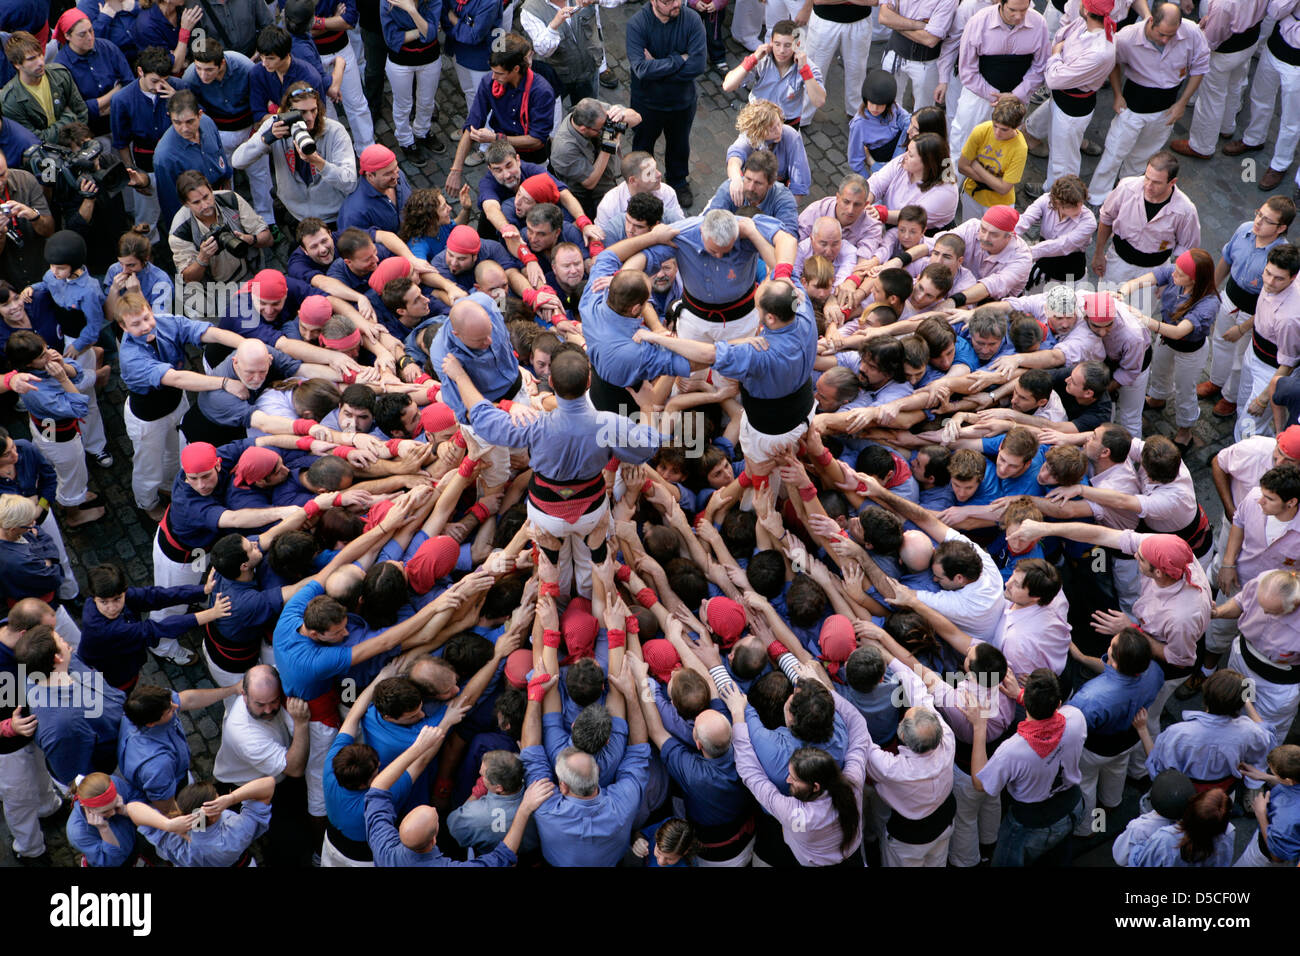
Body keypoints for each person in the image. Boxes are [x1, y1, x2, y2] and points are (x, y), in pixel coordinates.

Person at [1086, 2, 1210, 205]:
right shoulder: (1128, 37)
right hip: (1134, 104)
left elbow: (1200, 67)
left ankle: (1125, 193)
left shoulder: (1191, 32)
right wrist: (1117, 94)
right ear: (1151, 21)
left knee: (1142, 157)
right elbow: (1113, 62)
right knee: (1114, 153)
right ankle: (1096, 199)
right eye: (1161, 34)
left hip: (1166, 108)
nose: (1165, 40)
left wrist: (1182, 103)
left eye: (1171, 35)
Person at [1199, 198, 1293, 419]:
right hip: (1230, 297)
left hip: (1254, 312)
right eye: (1259, 214)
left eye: (1267, 220)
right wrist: (1209, 289)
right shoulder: (1243, 230)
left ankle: (1230, 397)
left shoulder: (1281, 257)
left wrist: (1243, 328)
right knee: (1220, 342)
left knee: (1241, 356)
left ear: (1281, 228)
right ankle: (1216, 381)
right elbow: (1226, 260)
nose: (1258, 222)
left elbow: (1273, 303)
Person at [1120, 248, 1219, 450]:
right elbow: (1142, 280)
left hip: (1189, 350)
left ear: (1194, 279)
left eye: (1180, 274)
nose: (1174, 274)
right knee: (1159, 370)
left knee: (1185, 390)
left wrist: (1143, 319)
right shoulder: (1177, 272)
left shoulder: (1209, 303)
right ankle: (1157, 398)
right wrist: (1122, 292)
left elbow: (1178, 332)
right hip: (1166, 339)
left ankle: (1185, 432)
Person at [231, 81, 357, 229]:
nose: (310, 118)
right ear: (287, 111)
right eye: (302, 112)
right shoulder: (276, 126)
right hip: (295, 215)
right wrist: (265, 139)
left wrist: (318, 162)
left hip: (333, 215)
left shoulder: (334, 131)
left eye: (314, 110)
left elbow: (350, 183)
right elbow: (237, 161)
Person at [946, 0, 1049, 169]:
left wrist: (1016, 96)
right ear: (1000, 3)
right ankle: (950, 189)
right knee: (961, 142)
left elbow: (1039, 67)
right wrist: (993, 94)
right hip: (978, 95)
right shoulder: (979, 21)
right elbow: (967, 70)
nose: (1019, 16)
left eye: (1024, 10)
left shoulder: (1039, 23)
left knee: (1001, 149)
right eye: (1013, 10)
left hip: (1017, 99)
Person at [627, 0, 707, 210]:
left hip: (681, 103)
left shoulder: (691, 20)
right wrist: (679, 59)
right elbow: (641, 69)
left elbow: (698, 65)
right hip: (646, 104)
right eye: (668, 1)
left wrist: (657, 66)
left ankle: (678, 181)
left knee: (679, 144)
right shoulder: (637, 24)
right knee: (643, 147)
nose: (676, 4)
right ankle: (643, 185)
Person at [1169, 0, 1269, 163]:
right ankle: (1226, 127)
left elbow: (1211, 42)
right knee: (1235, 85)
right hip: (1249, 42)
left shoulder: (1224, 4)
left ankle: (1201, 146)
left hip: (1224, 52)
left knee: (1211, 97)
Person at [449, 33, 556, 178]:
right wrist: (456, 169)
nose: (493, 77)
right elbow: (472, 126)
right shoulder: (489, 82)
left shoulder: (541, 91)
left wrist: (495, 138)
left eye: (499, 73)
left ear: (516, 69)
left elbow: (536, 140)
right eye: (493, 71)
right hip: (502, 156)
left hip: (532, 159)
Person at [1225, 0, 1300, 191]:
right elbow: (1275, 11)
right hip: (1275, 48)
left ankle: (1280, 164)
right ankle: (1253, 139)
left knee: (1291, 119)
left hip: (1297, 66)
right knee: (1260, 97)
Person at [1235, 242, 1300, 442]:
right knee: (1242, 404)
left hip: (1271, 369)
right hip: (1253, 351)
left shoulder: (1289, 319)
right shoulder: (1271, 282)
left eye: (1279, 278)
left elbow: (1288, 363)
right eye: (1268, 273)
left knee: (1250, 422)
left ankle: (1243, 454)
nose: (1270, 282)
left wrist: (1264, 399)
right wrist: (1242, 328)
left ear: (1293, 277)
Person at [168, 170, 272, 289]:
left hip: (252, 271)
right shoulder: (180, 232)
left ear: (211, 189)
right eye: (196, 202)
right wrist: (203, 258)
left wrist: (251, 239)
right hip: (217, 290)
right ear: (186, 204)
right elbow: (188, 279)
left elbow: (268, 239)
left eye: (206, 197)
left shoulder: (231, 199)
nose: (205, 205)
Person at [152, 89, 233, 234]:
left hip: (222, 197)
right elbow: (171, 204)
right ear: (169, 117)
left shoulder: (208, 123)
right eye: (177, 122)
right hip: (197, 213)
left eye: (190, 121)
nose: (184, 129)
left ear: (200, 115)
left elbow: (223, 162)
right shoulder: (165, 156)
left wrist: (230, 200)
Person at [722, 20, 825, 125]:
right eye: (777, 44)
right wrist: (752, 59)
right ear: (771, 41)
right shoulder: (762, 59)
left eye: (788, 45)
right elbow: (728, 86)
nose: (781, 50)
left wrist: (805, 71)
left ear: (797, 45)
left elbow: (819, 101)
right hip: (756, 120)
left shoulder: (806, 66)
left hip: (786, 124)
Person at [549, 99, 642, 216]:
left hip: (610, 181)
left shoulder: (596, 112)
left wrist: (622, 115)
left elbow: (638, 118)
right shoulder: (564, 148)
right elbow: (590, 182)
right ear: (583, 129)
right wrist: (608, 147)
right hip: (588, 198)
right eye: (600, 129)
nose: (606, 129)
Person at [380, 0, 444, 167]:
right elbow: (392, 39)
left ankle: (422, 131)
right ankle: (405, 139)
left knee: (427, 100)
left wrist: (411, 11)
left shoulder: (433, 1)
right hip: (400, 62)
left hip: (429, 58)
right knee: (403, 104)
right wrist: (420, 30)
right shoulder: (388, 3)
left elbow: (430, 35)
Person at [52, 10, 134, 139]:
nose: (90, 37)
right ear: (68, 36)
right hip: (91, 133)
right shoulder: (61, 67)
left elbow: (130, 83)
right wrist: (115, 93)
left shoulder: (108, 48)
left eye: (91, 30)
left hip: (122, 120)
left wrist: (99, 106)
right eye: (82, 34)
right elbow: (78, 109)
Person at [0, 32, 88, 145]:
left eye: (40, 54)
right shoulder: (10, 100)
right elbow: (34, 140)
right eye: (32, 59)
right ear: (17, 64)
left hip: (77, 142)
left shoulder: (60, 74)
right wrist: (69, 117)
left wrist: (76, 141)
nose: (40, 62)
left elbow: (81, 112)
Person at [956, 93, 1028, 220]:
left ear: (1017, 127)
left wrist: (976, 166)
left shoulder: (1020, 148)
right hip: (972, 195)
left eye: (1004, 130)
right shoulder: (981, 130)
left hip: (1000, 204)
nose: (997, 133)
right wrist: (996, 182)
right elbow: (962, 167)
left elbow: (1004, 189)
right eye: (995, 126)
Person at [594, 152, 686, 239]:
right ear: (633, 180)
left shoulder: (667, 192)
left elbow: (680, 226)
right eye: (650, 173)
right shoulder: (609, 206)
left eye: (656, 168)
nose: (659, 174)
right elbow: (601, 240)